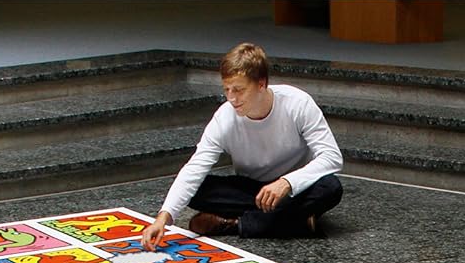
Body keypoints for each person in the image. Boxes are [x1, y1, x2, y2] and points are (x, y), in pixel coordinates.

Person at [140, 42, 344, 245]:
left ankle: (237, 224)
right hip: (251, 192)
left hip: (293, 190)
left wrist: (287, 182)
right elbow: (196, 166)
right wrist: (163, 218)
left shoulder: (298, 104)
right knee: (198, 189)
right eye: (227, 89)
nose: (231, 98)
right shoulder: (224, 118)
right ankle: (298, 222)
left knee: (330, 187)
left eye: (239, 90)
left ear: (261, 84)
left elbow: (332, 157)